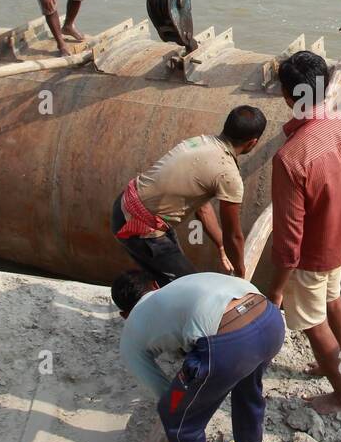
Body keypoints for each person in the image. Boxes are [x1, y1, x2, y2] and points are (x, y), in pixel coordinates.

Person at [116, 271, 286, 442]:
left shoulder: (130, 337)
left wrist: (180, 424)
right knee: (248, 391)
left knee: (175, 415)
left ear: (124, 314)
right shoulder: (179, 287)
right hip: (270, 320)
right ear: (154, 285)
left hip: (231, 343)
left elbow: (166, 393)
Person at [268, 50, 341, 414]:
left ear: (286, 96)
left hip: (313, 254)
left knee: (312, 322)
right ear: (326, 85)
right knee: (333, 299)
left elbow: (289, 237)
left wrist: (276, 289)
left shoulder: (291, 158)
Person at [112, 106, 266, 301]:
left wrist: (220, 247)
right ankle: (152, 320)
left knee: (169, 280)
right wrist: (240, 272)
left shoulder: (199, 142)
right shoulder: (228, 175)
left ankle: (154, 313)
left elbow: (202, 208)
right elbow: (233, 235)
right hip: (141, 228)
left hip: (124, 208)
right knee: (191, 291)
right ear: (253, 142)